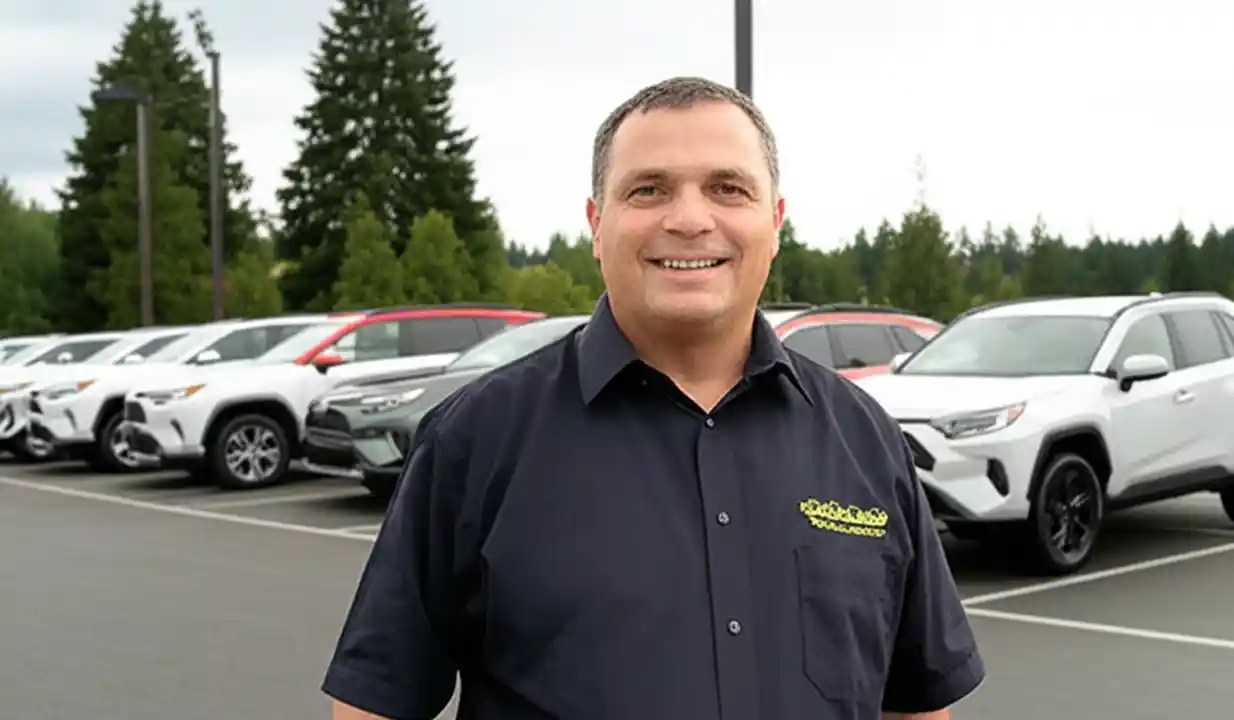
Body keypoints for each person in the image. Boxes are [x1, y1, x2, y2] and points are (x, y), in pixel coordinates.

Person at [322, 75, 985, 720]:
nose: (690, 219)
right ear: (596, 223)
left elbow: (912, 705)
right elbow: (375, 704)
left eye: (728, 188)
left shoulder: (864, 441)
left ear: (775, 221)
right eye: (649, 190)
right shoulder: (478, 441)